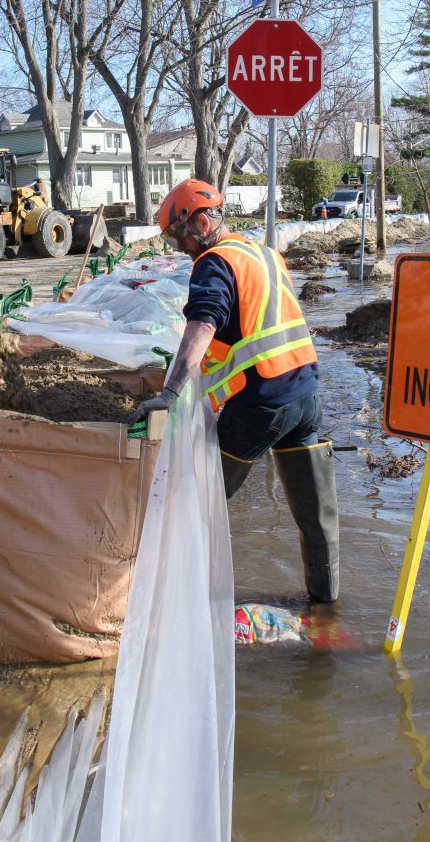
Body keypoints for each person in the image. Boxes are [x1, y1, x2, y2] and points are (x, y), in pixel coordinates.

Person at [135, 179, 339, 604]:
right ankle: (326, 606)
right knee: (316, 516)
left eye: (179, 236)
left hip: (260, 402)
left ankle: (179, 601)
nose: (179, 247)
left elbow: (202, 326)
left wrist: (170, 393)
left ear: (203, 221)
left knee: (198, 504)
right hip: (305, 395)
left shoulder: (214, 262)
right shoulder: (264, 254)